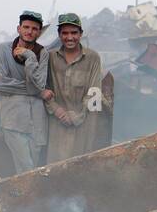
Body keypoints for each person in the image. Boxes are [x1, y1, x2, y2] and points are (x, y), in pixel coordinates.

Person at [45, 13, 110, 164]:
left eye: (74, 33)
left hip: (84, 121)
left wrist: (75, 116)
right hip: (56, 122)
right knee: (55, 165)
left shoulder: (93, 57)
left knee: (80, 164)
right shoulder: (50, 58)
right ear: (59, 35)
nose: (69, 37)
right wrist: (58, 111)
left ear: (81, 34)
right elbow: (43, 89)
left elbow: (94, 92)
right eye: (65, 33)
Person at [0, 11, 51, 174]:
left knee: (33, 166)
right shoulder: (4, 50)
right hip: (14, 119)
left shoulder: (42, 53)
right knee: (25, 167)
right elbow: (2, 84)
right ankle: (28, 198)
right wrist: (36, 91)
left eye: (34, 29)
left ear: (39, 32)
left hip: (37, 121)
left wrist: (30, 56)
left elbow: (40, 83)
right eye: (26, 27)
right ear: (19, 29)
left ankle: (30, 198)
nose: (29, 31)